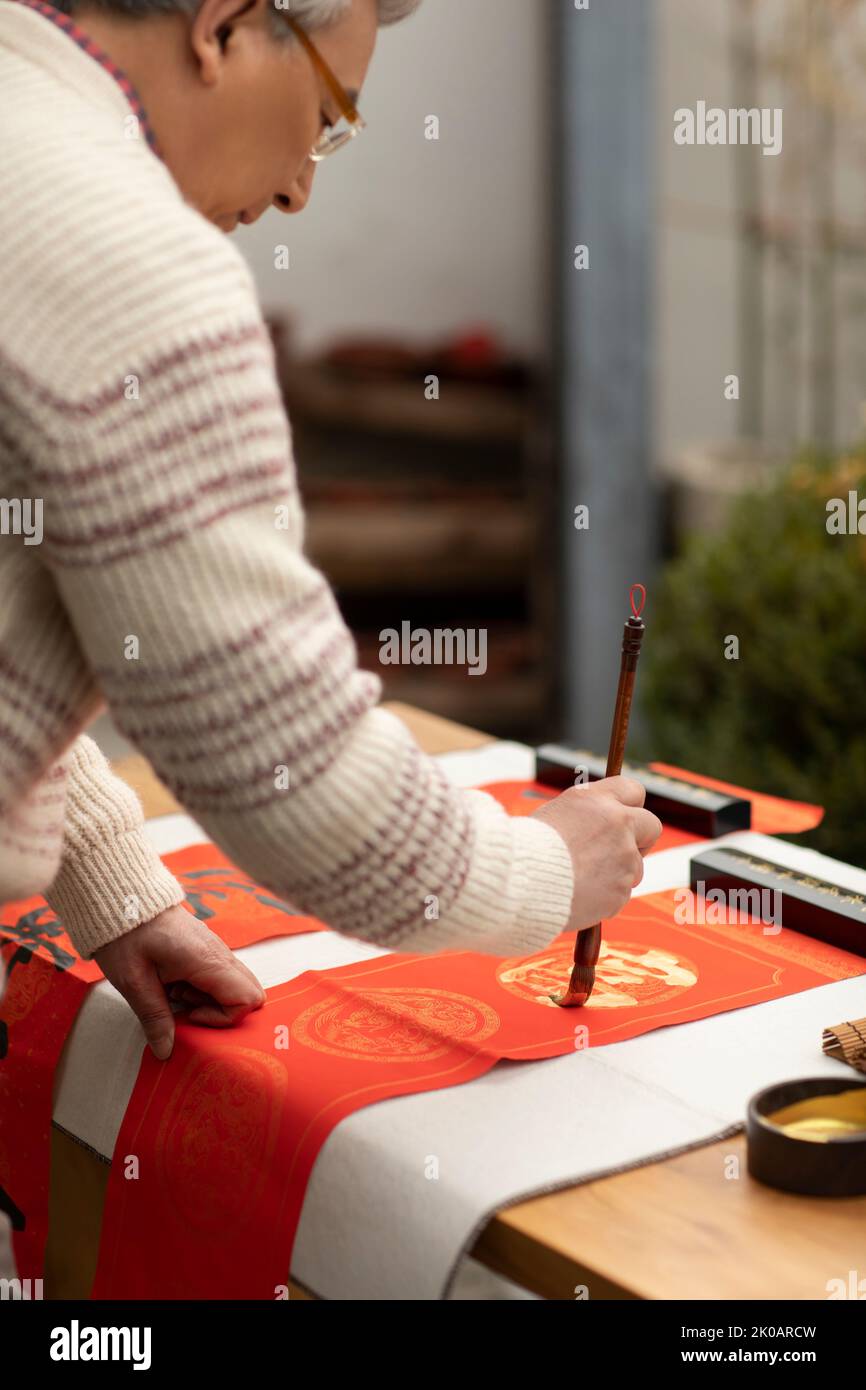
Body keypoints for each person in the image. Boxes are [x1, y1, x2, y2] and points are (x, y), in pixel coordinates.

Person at [0, 0, 662, 1061]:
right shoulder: (125, 254)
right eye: (327, 112)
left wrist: (110, 882)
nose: (301, 188)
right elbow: (281, 762)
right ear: (221, 24)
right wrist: (540, 871)